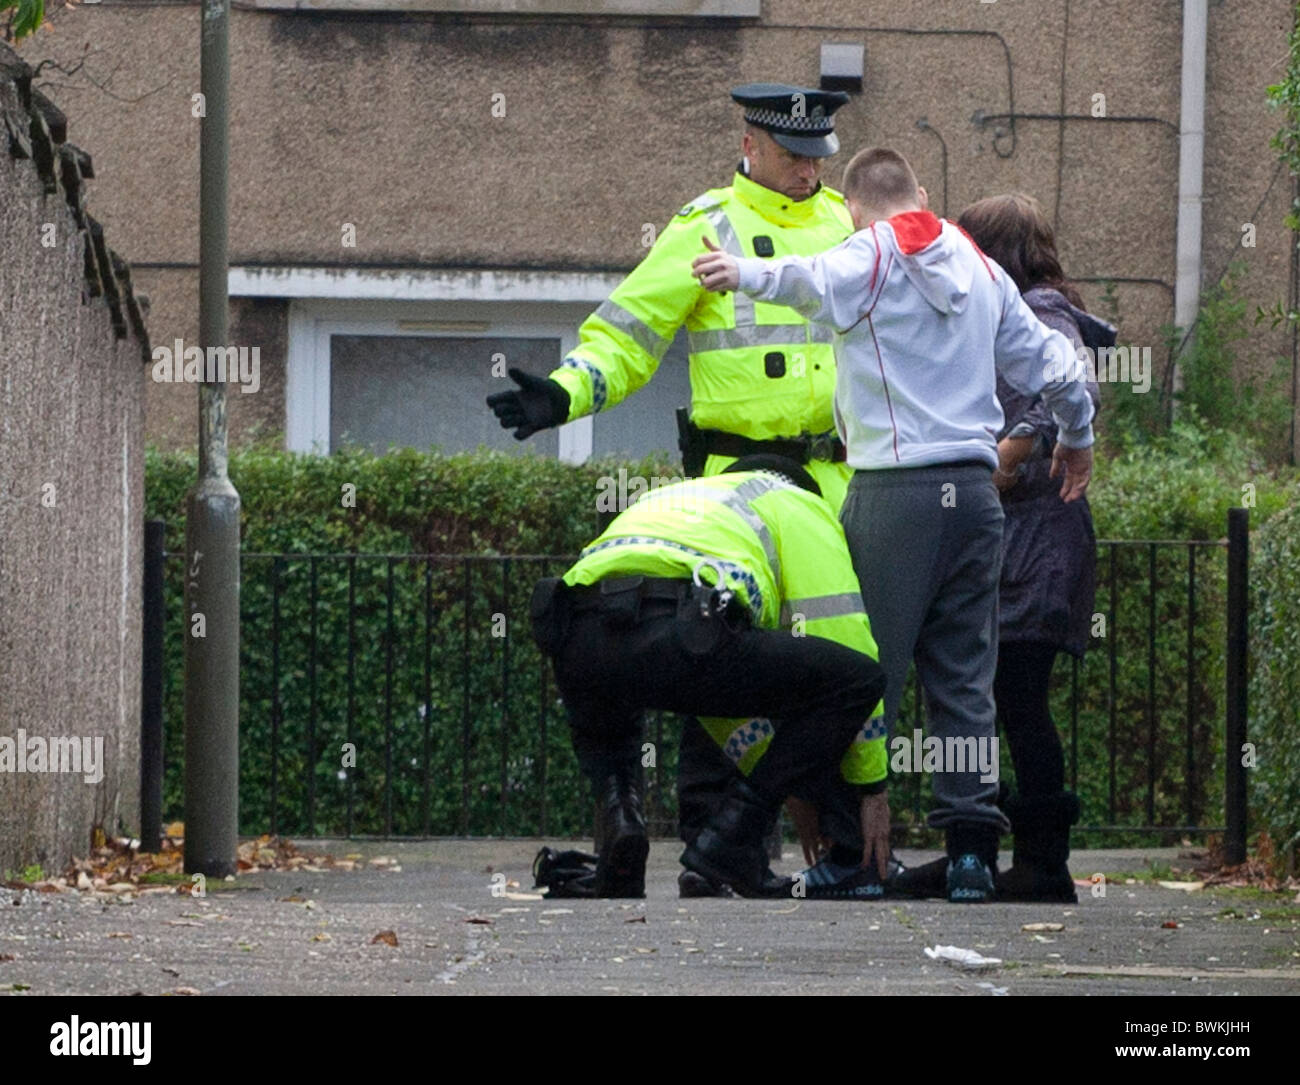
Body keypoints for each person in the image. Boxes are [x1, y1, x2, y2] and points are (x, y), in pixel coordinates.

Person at [692, 148, 1097, 903]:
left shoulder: (866, 252)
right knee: (966, 678)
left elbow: (806, 283)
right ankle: (972, 850)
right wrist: (1079, 438)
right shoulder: (979, 266)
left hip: (893, 490)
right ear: (922, 194)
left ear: (852, 210)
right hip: (978, 497)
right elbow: (1055, 365)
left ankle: (852, 853)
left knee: (865, 671)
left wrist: (740, 273)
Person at [488, 83, 862, 897]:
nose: (808, 171)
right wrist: (562, 393)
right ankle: (716, 839)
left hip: (839, 481)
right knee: (723, 658)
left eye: (818, 156)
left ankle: (835, 849)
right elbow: (627, 337)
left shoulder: (846, 226)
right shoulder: (705, 228)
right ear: (750, 143)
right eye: (794, 155)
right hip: (741, 483)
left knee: (839, 666)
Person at [527, 456, 890, 899]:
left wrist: (789, 780)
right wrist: (871, 786)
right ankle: (729, 843)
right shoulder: (799, 503)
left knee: (611, 714)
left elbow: (721, 711)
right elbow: (844, 637)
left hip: (576, 635)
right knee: (860, 679)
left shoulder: (678, 495)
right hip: (687, 627)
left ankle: (623, 822)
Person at [932, 193, 1105, 902]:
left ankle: (1040, 861)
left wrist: (1002, 455)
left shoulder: (1041, 312)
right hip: (1030, 535)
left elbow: (1058, 393)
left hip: (1039, 537)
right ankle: (1010, 852)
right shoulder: (1022, 308)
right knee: (1005, 696)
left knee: (1017, 697)